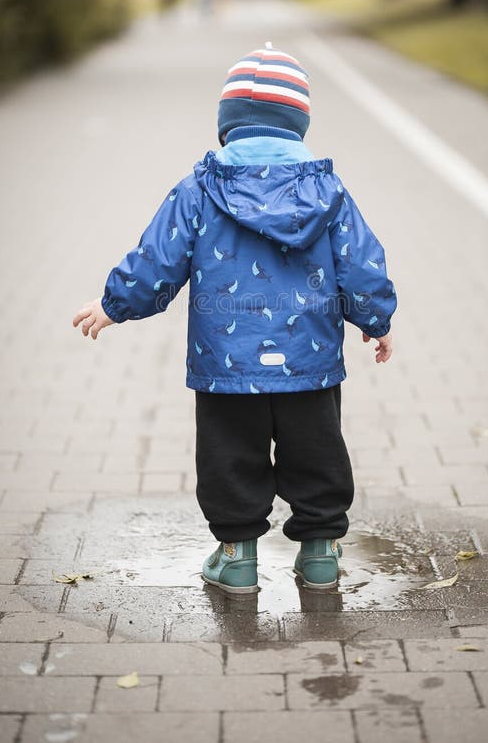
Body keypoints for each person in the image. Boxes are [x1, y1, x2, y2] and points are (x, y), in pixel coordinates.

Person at [73, 42, 397, 594]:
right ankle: (320, 554)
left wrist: (114, 305)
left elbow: (158, 258)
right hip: (309, 363)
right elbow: (361, 263)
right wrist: (375, 319)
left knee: (230, 457)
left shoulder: (200, 187)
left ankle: (237, 556)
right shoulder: (328, 190)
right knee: (316, 451)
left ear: (227, 123)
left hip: (225, 362)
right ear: (299, 122)